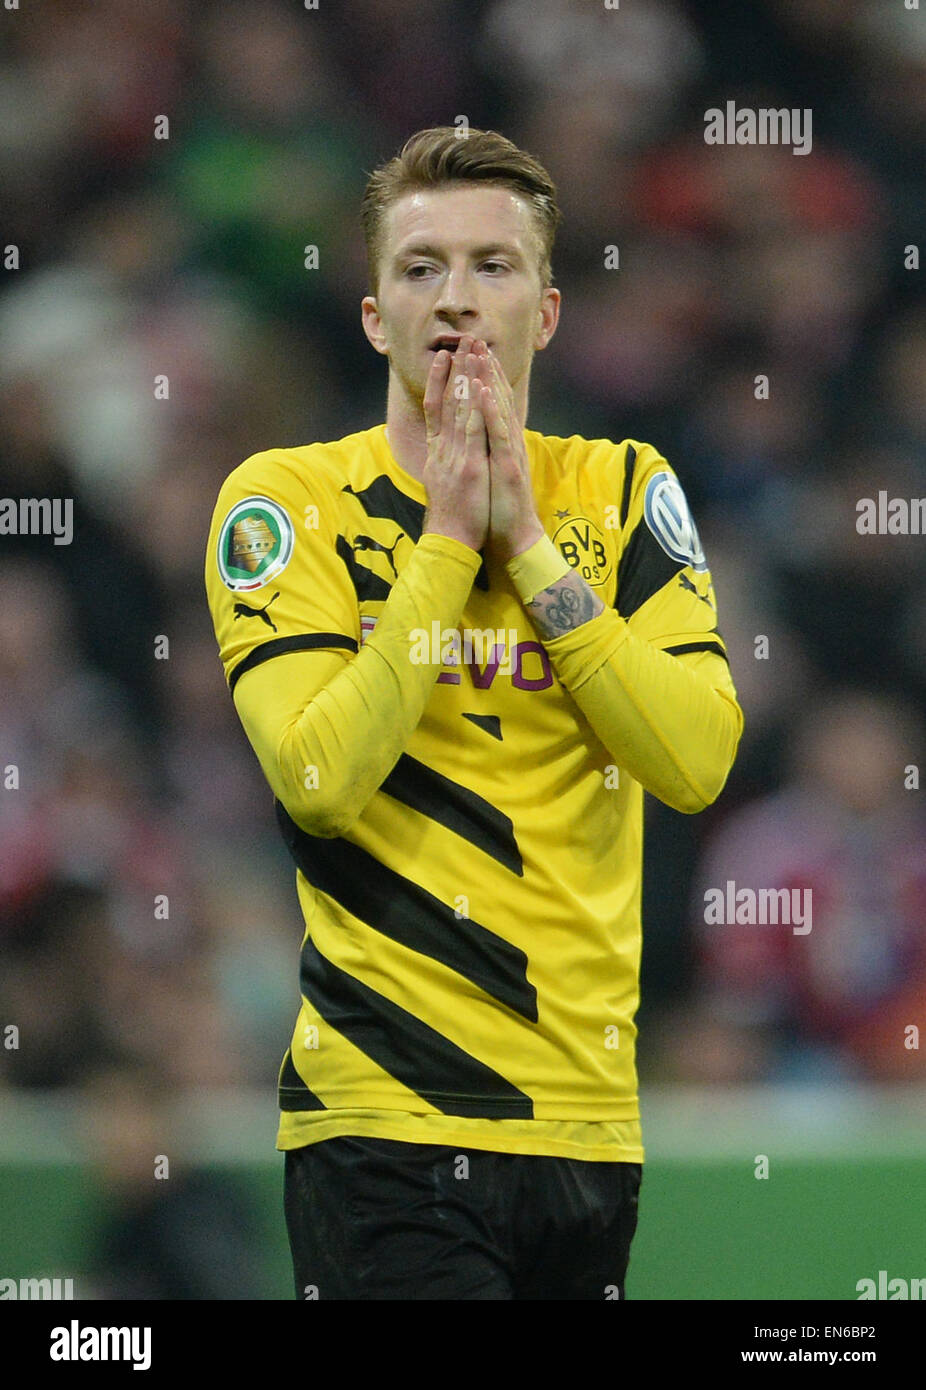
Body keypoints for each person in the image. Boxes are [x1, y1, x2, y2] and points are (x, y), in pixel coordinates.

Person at [204, 126, 744, 1300]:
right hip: (384, 1117)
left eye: (491, 266)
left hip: (587, 1125)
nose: (456, 301)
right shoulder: (284, 503)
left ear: (544, 313)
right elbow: (317, 778)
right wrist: (446, 542)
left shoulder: (621, 486)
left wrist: (534, 556)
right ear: (372, 316)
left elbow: (696, 757)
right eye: (419, 268)